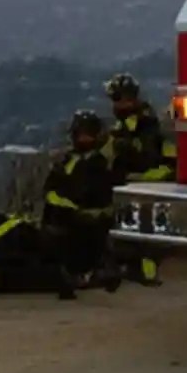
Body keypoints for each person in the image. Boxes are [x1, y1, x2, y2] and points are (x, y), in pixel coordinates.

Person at [102, 72, 175, 286]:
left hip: (147, 179)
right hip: (141, 178)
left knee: (145, 227)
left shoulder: (141, 122)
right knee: (132, 224)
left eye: (117, 99)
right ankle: (132, 266)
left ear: (128, 98)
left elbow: (145, 155)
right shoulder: (131, 121)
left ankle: (146, 269)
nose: (114, 105)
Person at [42, 109, 122, 300]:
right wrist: (67, 206)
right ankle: (68, 273)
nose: (84, 139)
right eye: (81, 134)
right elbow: (50, 190)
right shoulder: (67, 160)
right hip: (70, 217)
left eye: (88, 134)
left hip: (98, 219)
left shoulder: (104, 162)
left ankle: (99, 267)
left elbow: (111, 192)